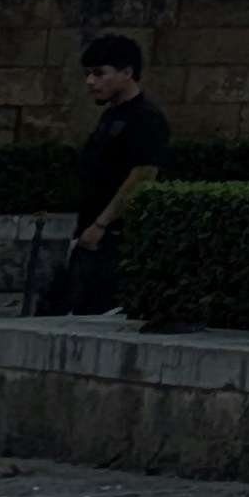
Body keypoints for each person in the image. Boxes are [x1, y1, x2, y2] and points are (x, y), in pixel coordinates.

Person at [54, 30, 172, 316]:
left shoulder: (146, 119)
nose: (91, 82)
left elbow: (142, 176)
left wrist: (101, 225)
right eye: (88, 74)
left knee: (103, 310)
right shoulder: (111, 115)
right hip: (92, 232)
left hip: (116, 238)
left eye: (99, 73)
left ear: (126, 73)